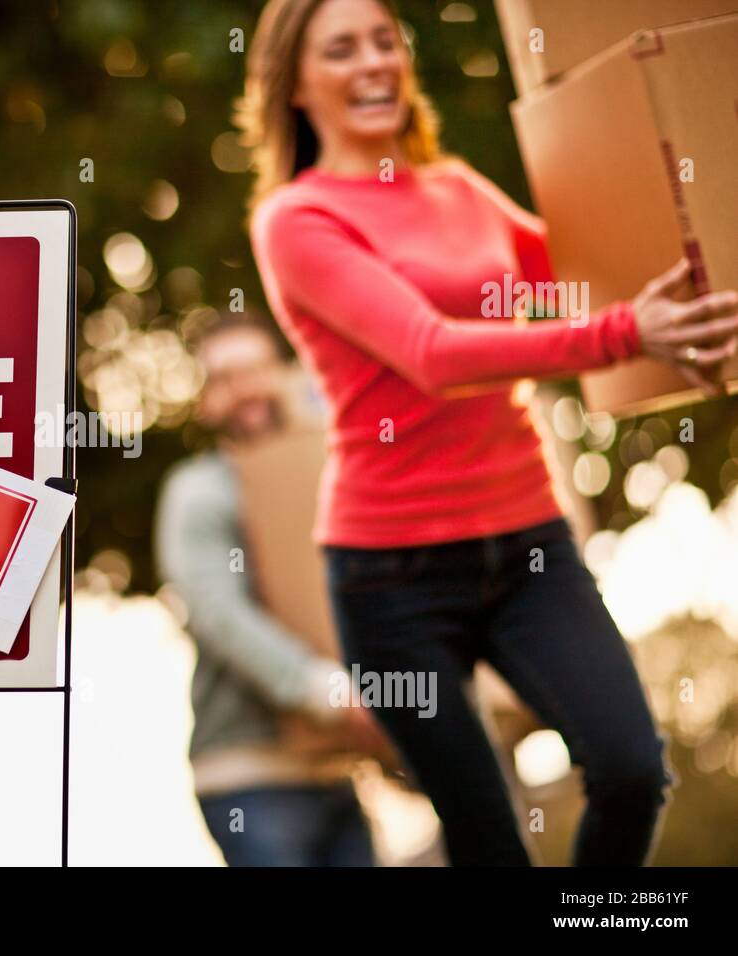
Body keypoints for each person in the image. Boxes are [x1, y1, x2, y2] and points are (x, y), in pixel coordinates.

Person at [240, 0, 738, 866]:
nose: (373, 64)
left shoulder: (457, 188)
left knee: (628, 767)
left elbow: (588, 271)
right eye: (341, 49)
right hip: (391, 576)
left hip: (524, 542)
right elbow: (429, 353)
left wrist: (699, 264)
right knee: (487, 839)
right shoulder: (296, 221)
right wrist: (626, 334)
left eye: (385, 41)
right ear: (294, 84)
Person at [155, 310, 388, 867]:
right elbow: (220, 617)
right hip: (250, 776)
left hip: (336, 769)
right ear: (207, 401)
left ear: (285, 373)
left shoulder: (329, 477)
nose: (244, 390)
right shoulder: (199, 492)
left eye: (256, 369)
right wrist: (331, 694)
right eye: (224, 378)